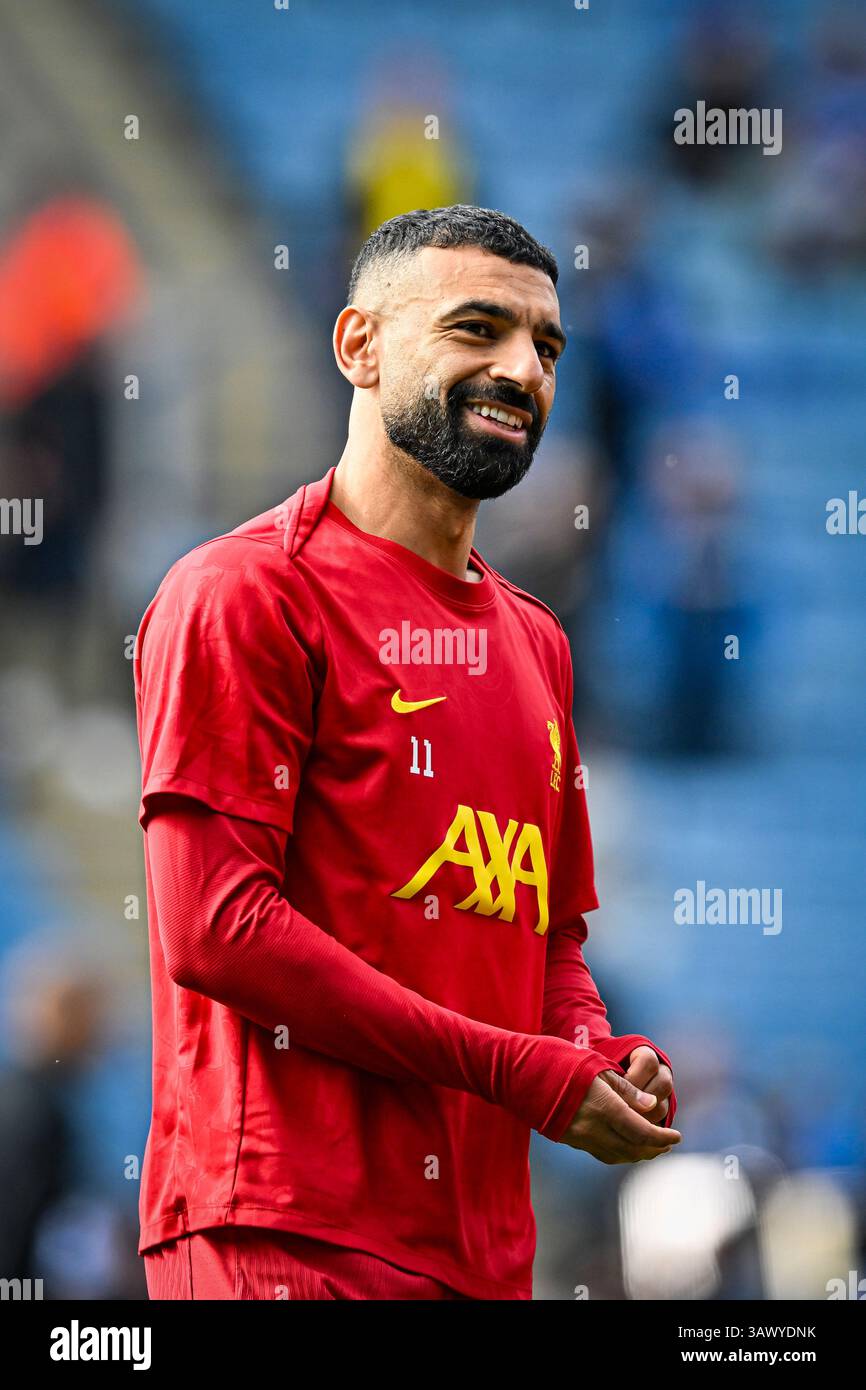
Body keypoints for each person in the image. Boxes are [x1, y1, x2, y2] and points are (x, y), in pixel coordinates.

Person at [134, 205, 680, 1302]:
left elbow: (547, 936)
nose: (520, 369)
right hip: (285, 1236)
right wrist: (521, 1071)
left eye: (545, 346)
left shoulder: (538, 644)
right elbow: (217, 930)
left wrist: (588, 1048)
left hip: (484, 1257)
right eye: (477, 329)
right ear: (358, 346)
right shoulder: (244, 595)